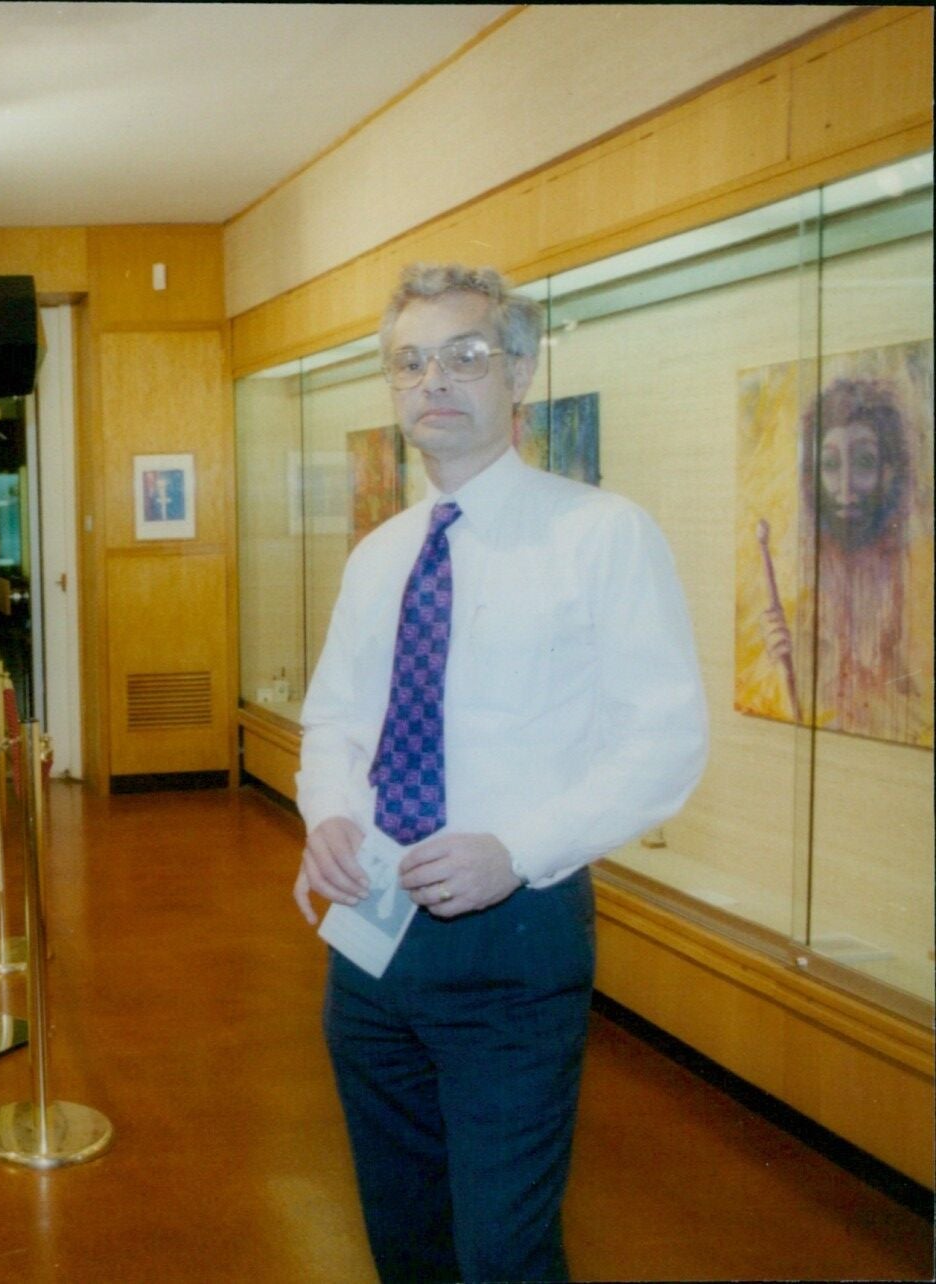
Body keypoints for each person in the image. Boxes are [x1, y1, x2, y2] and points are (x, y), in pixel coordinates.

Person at [293, 263, 709, 1282]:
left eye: (464, 355)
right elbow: (337, 720)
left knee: (502, 1252)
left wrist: (513, 852)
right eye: (409, 362)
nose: (433, 380)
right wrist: (329, 817)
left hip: (511, 949)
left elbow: (662, 741)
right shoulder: (380, 554)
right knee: (403, 1234)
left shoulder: (599, 534)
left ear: (518, 371)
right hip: (368, 944)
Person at [759, 374, 929, 745]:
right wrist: (780, 657)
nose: (846, 486)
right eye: (832, 466)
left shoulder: (919, 573)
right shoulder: (799, 573)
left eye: (865, 462)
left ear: (890, 470)